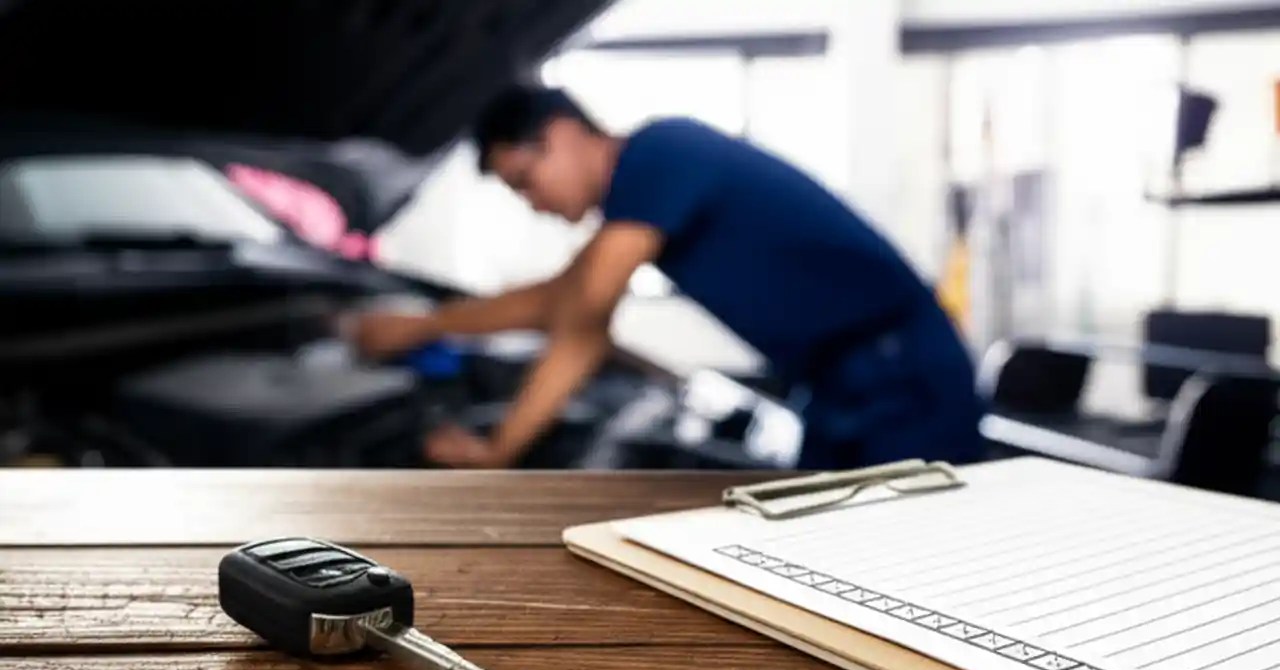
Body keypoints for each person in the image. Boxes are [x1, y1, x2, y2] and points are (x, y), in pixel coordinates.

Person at [352, 85, 985, 470]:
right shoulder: (638, 201)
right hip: (835, 385)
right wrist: (425, 326)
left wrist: (498, 452)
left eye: (525, 180)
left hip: (902, 377)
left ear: (565, 133)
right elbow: (555, 299)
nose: (532, 202)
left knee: (900, 579)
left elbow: (582, 325)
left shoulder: (660, 153)